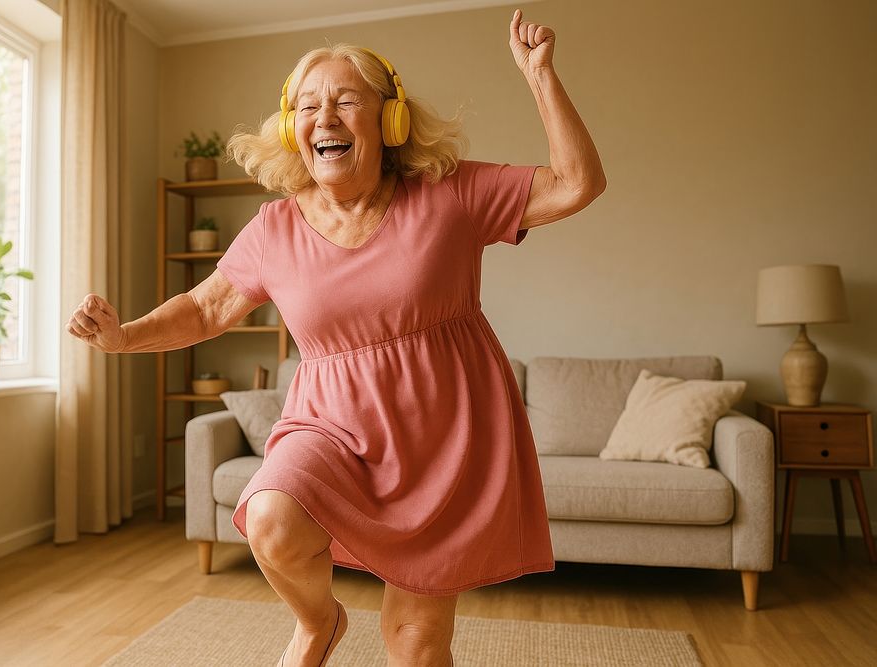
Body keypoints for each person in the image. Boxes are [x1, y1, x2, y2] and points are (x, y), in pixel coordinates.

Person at [67, 9, 605, 667]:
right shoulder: (274, 228)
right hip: (330, 427)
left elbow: (577, 183)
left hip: (444, 436)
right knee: (269, 518)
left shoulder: (450, 192)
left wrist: (541, 77)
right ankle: (317, 622)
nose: (326, 117)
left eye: (347, 101)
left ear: (389, 119)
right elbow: (206, 308)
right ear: (295, 128)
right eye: (310, 105)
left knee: (415, 643)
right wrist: (124, 337)